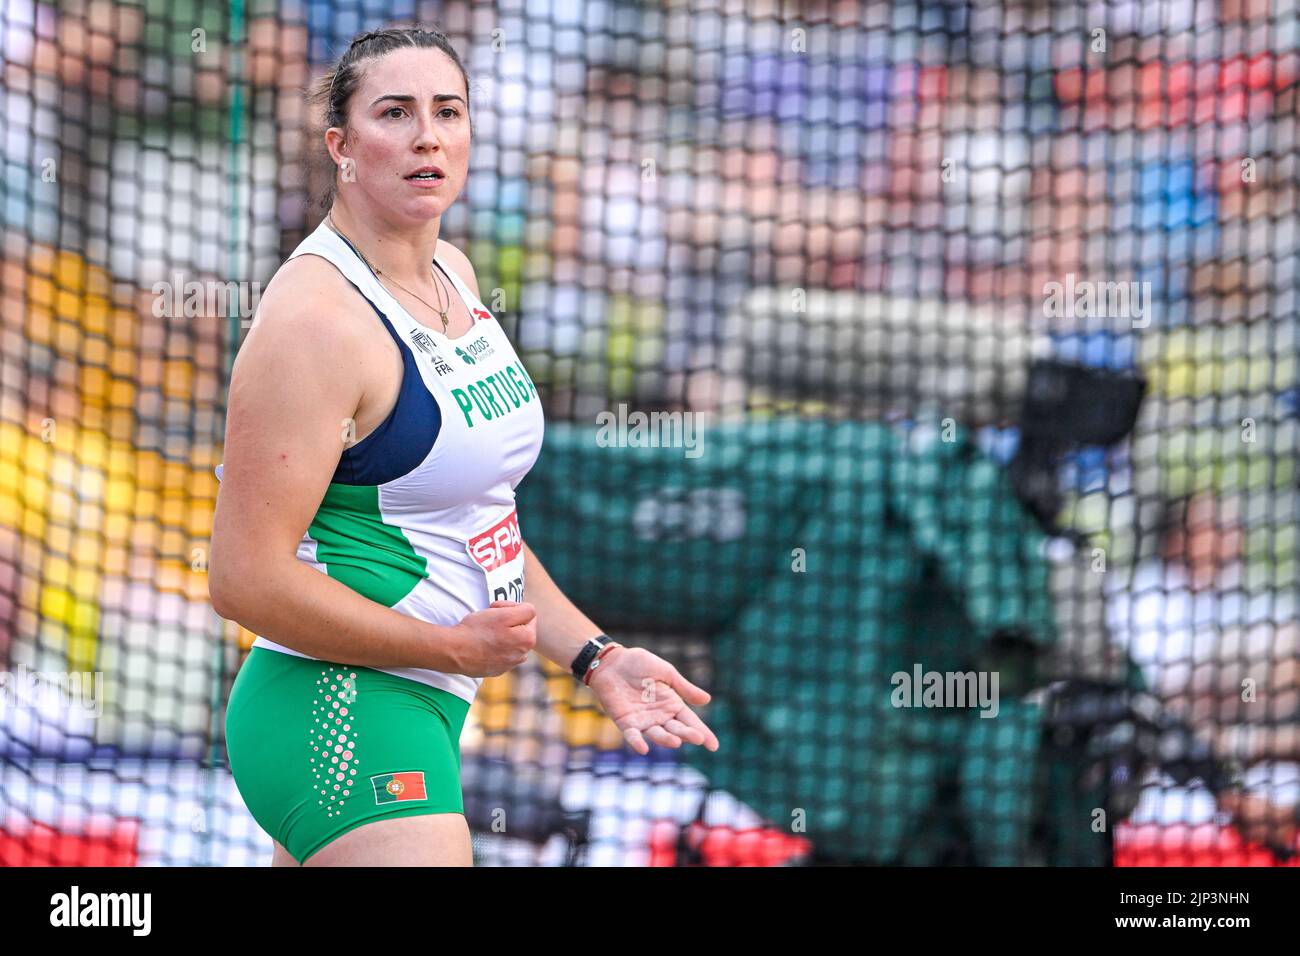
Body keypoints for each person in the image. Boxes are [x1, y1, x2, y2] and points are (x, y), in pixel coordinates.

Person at [208, 26, 717, 867]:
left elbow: (485, 524)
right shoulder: (316, 321)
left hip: (429, 705)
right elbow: (241, 577)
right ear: (341, 146)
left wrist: (596, 657)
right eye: (394, 114)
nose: (427, 136)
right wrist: (446, 647)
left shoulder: (453, 273)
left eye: (447, 112)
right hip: (337, 706)